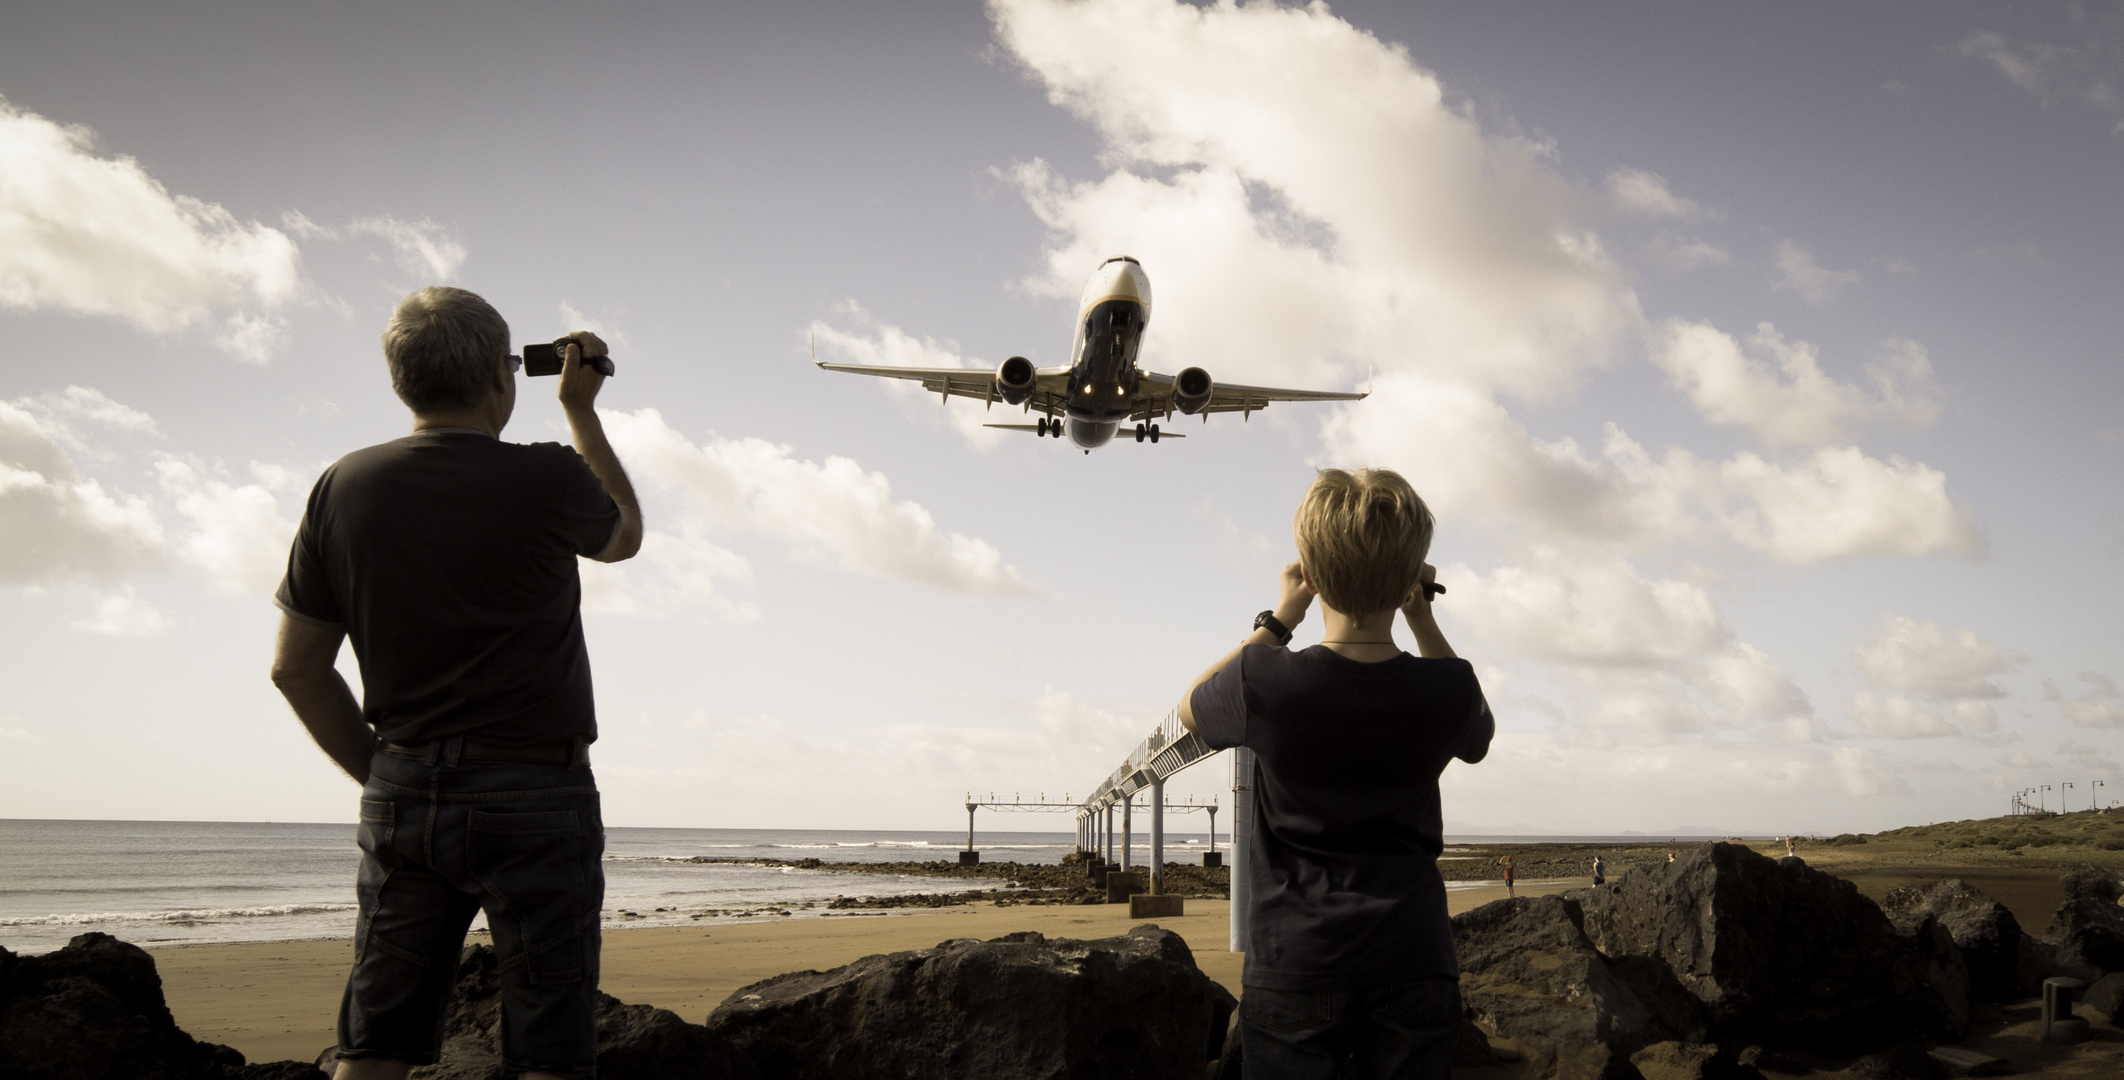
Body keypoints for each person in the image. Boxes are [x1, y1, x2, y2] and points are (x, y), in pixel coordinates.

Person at [270, 287, 643, 1080]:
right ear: (499, 381)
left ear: (402, 382)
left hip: (405, 781)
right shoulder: (544, 478)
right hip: (537, 790)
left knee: (375, 1044)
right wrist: (580, 410)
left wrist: (388, 774)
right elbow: (624, 535)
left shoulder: (342, 486)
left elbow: (295, 668)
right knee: (549, 1049)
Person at [1180, 468, 1494, 1080]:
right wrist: (1421, 614)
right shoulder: (1448, 688)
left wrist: (1279, 617)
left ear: (1315, 576)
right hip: (1413, 951)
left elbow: (1193, 707)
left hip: (1296, 956)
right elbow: (1476, 738)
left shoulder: (1266, 679)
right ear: (1411, 576)